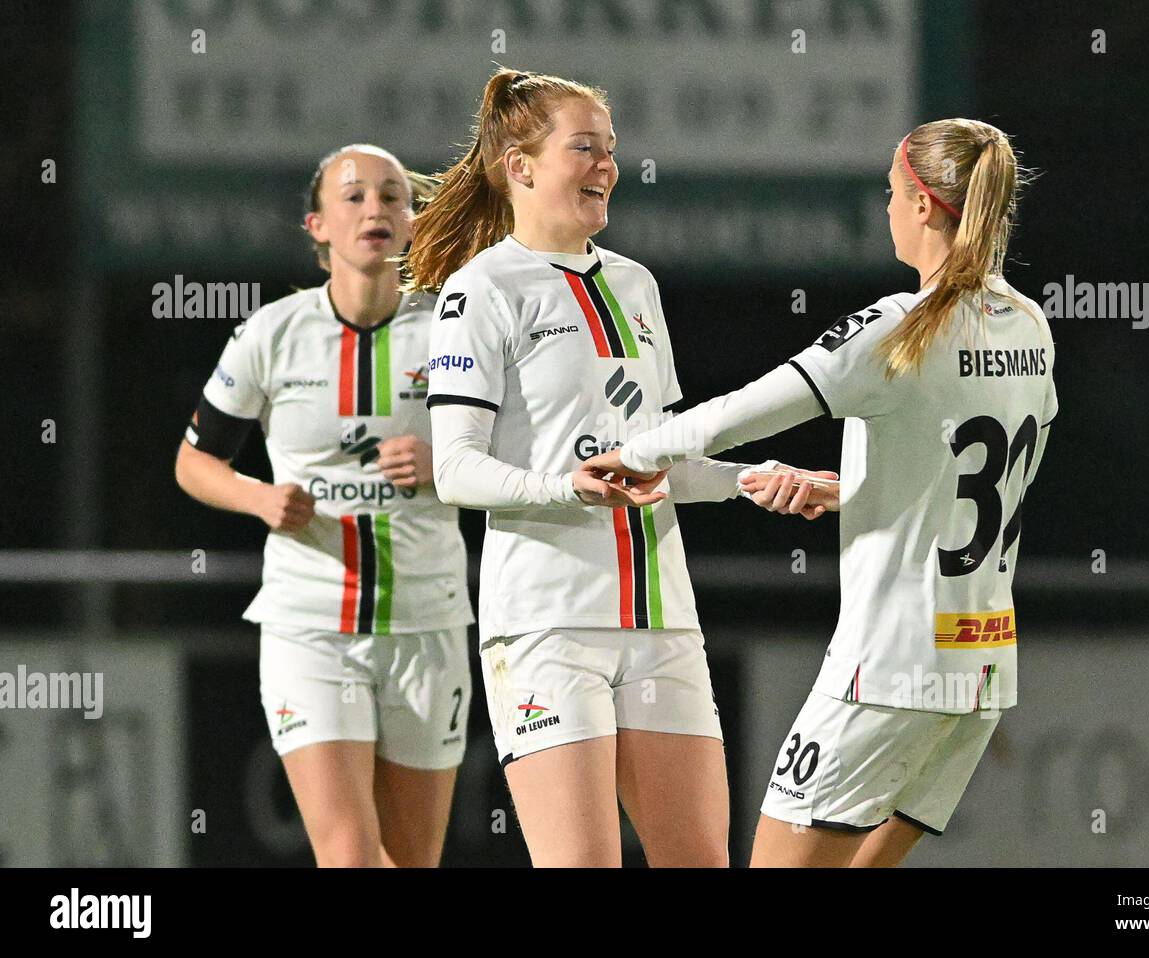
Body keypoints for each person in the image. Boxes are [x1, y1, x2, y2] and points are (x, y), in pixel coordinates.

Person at [585, 118, 1055, 867]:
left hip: (889, 665)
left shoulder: (899, 327)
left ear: (925, 205)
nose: (888, 208)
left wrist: (635, 451)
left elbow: (741, 411)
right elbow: (975, 477)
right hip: (981, 667)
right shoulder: (1030, 324)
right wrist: (852, 493)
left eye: (893, 194)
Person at [407, 67, 822, 867]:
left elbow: (660, 461)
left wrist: (758, 479)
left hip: (663, 620)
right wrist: (566, 488)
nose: (608, 165)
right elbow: (456, 471)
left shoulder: (635, 284)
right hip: (547, 628)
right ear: (520, 167)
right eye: (585, 148)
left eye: (613, 149)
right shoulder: (480, 291)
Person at [175, 144, 474, 867]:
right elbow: (193, 460)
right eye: (354, 196)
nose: (375, 208)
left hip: (427, 624)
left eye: (393, 197)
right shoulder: (271, 334)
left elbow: (525, 456)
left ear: (411, 223)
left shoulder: (456, 329)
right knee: (346, 855)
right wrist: (257, 496)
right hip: (310, 626)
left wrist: (445, 466)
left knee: (410, 860)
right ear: (316, 225)